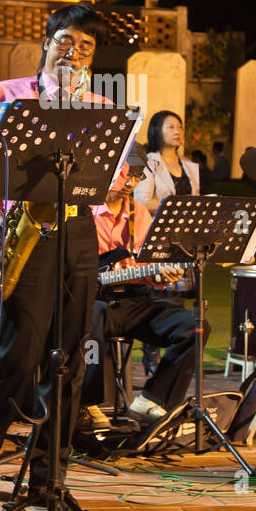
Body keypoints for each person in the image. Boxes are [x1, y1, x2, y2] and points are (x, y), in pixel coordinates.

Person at [0, 3, 109, 506]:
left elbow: (106, 178)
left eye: (86, 47)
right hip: (26, 231)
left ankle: (47, 478)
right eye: (67, 40)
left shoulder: (99, 107)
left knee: (69, 360)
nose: (75, 52)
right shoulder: (5, 95)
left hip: (78, 232)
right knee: (18, 356)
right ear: (47, 40)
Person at [81, 145, 201, 426]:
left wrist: (159, 276)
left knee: (193, 326)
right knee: (92, 315)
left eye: (137, 176)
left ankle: (152, 399)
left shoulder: (139, 214)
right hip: (92, 301)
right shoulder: (81, 210)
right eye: (126, 175)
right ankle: (88, 403)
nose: (131, 183)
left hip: (132, 301)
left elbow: (147, 264)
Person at [134, 110, 201, 214]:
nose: (177, 132)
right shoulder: (148, 163)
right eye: (171, 127)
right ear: (157, 131)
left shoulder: (188, 164)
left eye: (180, 127)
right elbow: (141, 203)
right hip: (160, 226)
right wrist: (176, 205)